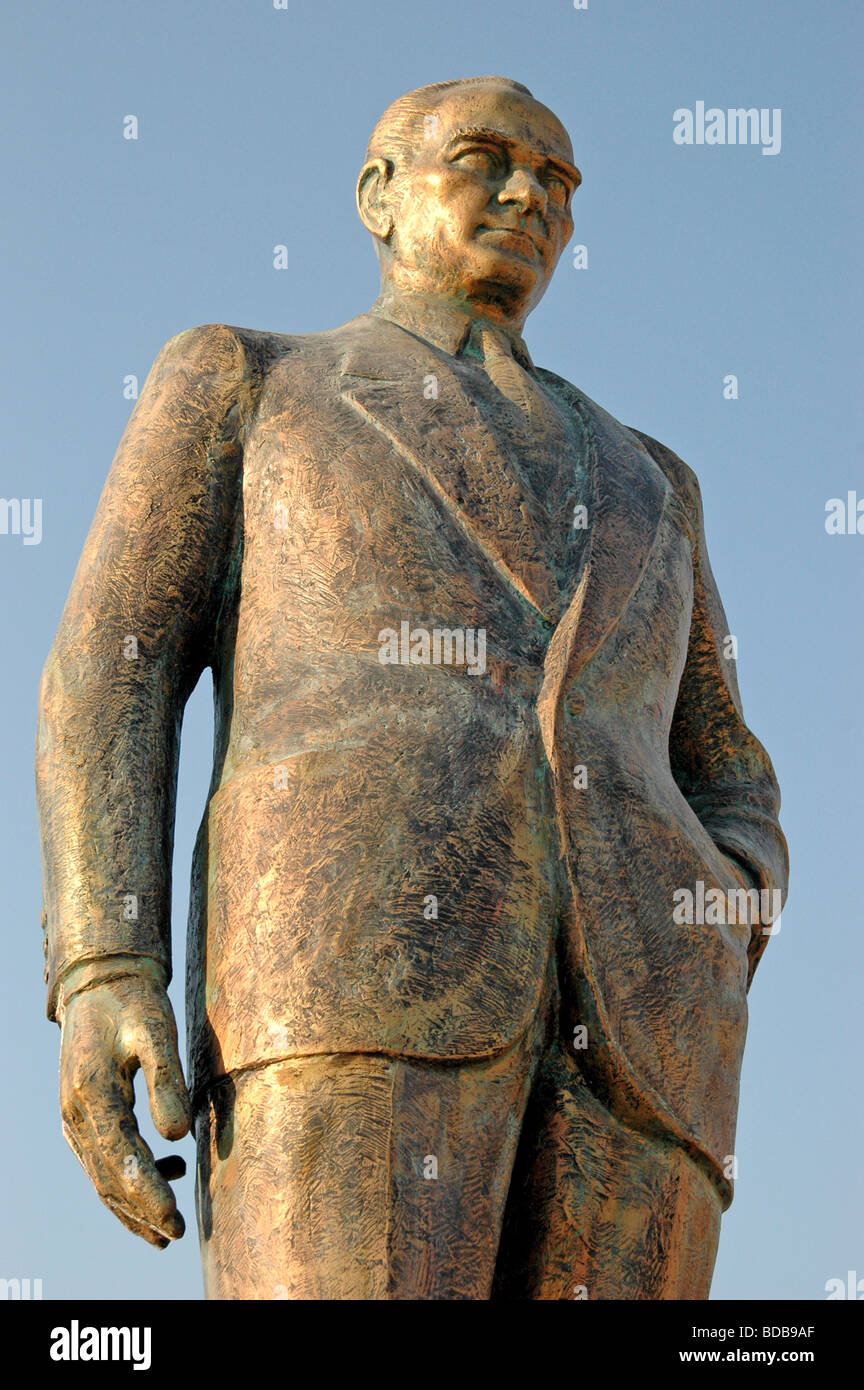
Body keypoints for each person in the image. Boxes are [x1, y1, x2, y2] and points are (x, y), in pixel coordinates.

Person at [37, 75, 788, 1299]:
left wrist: (730, 898)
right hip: (341, 979)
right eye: (487, 159)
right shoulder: (249, 381)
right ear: (378, 195)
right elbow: (112, 666)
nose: (529, 196)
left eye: (558, 182)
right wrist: (107, 964)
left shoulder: (657, 481)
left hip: (651, 1038)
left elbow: (727, 764)